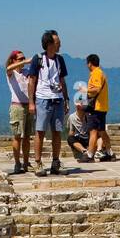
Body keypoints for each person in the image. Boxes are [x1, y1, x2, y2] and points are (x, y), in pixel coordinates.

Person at [26, 29, 69, 176]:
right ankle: (38, 162)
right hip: (42, 99)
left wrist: (66, 98)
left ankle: (55, 162)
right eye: (57, 42)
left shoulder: (60, 60)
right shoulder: (37, 59)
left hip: (57, 98)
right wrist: (31, 102)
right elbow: (31, 81)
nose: (60, 44)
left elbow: (62, 80)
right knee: (40, 131)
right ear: (49, 44)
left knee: (57, 132)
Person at [83, 53, 114, 162]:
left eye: (87, 63)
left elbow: (96, 89)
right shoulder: (101, 73)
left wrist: (85, 90)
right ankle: (110, 153)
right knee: (101, 131)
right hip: (102, 106)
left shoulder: (96, 73)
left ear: (90, 63)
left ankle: (90, 155)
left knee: (93, 131)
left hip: (96, 107)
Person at [5, 50, 32, 174]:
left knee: (27, 137)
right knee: (17, 136)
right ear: (14, 60)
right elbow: (8, 68)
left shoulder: (27, 72)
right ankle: (17, 163)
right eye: (20, 59)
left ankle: (26, 162)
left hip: (28, 106)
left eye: (24, 58)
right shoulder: (12, 73)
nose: (23, 60)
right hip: (17, 106)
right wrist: (25, 62)